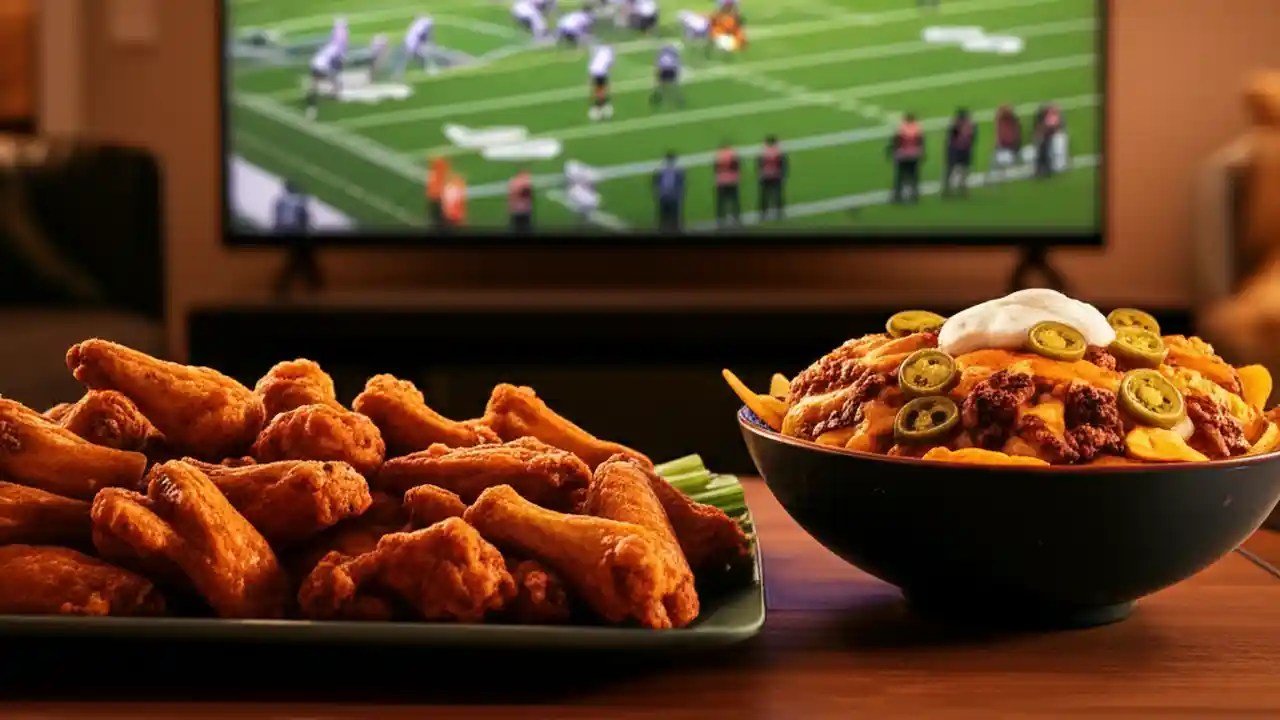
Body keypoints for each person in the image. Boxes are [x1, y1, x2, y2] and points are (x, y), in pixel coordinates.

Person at [272, 181, 320, 295]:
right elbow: (304, 219)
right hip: (294, 234)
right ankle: (314, 284)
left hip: (283, 232)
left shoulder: (280, 201)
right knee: (301, 259)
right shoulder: (300, 202)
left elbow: (277, 218)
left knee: (297, 260)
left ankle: (284, 286)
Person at [887, 112, 924, 204]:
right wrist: (921, 153)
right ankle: (914, 195)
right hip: (914, 155)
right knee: (913, 176)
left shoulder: (902, 127)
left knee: (900, 176)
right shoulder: (917, 127)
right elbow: (921, 141)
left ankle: (897, 196)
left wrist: (892, 152)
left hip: (903, 155)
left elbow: (896, 141)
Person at [306, 41, 344, 120]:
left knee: (314, 85)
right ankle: (333, 95)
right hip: (321, 68)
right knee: (337, 82)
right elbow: (337, 63)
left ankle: (311, 107)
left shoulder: (327, 47)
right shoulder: (336, 51)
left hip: (314, 66)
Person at [943, 108, 976, 198]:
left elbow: (972, 137)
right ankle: (950, 190)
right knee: (955, 169)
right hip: (958, 149)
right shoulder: (966, 124)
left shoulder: (967, 124)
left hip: (960, 149)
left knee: (962, 170)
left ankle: (959, 189)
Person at [653, 151, 686, 233]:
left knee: (671, 217)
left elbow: (681, 184)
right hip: (666, 197)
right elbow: (656, 182)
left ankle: (673, 229)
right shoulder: (678, 170)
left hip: (670, 197)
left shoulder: (677, 171)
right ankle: (664, 229)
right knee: (666, 217)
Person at [989, 104, 1023, 182]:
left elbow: (1001, 137)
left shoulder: (1006, 122)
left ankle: (995, 174)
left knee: (994, 158)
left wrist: (997, 144)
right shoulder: (1012, 121)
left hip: (1008, 148)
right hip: (1009, 147)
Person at [757, 135, 787, 221]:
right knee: (777, 194)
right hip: (776, 175)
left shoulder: (763, 151)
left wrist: (760, 175)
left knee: (765, 195)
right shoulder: (778, 151)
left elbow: (759, 164)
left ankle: (763, 213)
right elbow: (783, 164)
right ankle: (779, 212)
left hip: (765, 175)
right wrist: (783, 175)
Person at [713, 142, 742, 228]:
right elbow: (736, 167)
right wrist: (738, 178)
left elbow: (716, 169)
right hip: (732, 180)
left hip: (721, 180)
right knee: (734, 200)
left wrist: (716, 180)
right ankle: (736, 218)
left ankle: (720, 219)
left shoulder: (718, 155)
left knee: (721, 201)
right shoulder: (733, 154)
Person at [1034, 102, 1065, 178]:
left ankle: (1044, 169)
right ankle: (1043, 169)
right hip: (1046, 138)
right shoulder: (1044, 119)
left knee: (1045, 152)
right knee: (1043, 152)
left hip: (1048, 139)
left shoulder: (1054, 119)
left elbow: (1057, 128)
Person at [651, 44, 684, 109]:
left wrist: (657, 77)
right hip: (671, 70)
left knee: (661, 86)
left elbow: (658, 67)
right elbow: (677, 66)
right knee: (674, 86)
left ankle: (657, 97)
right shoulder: (673, 56)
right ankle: (678, 98)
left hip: (664, 71)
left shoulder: (661, 56)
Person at [588, 44, 615, 121]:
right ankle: (599, 107)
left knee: (598, 89)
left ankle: (600, 105)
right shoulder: (609, 51)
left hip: (593, 70)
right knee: (602, 89)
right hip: (601, 71)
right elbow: (610, 64)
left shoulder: (599, 48)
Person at [425, 156, 450, 228]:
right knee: (439, 215)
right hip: (437, 196)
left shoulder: (434, 172)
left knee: (435, 214)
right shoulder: (439, 171)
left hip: (433, 195)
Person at [508, 168, 534, 233]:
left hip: (515, 210)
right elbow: (527, 194)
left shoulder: (512, 182)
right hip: (524, 211)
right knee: (525, 229)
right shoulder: (526, 183)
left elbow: (511, 195)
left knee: (516, 229)